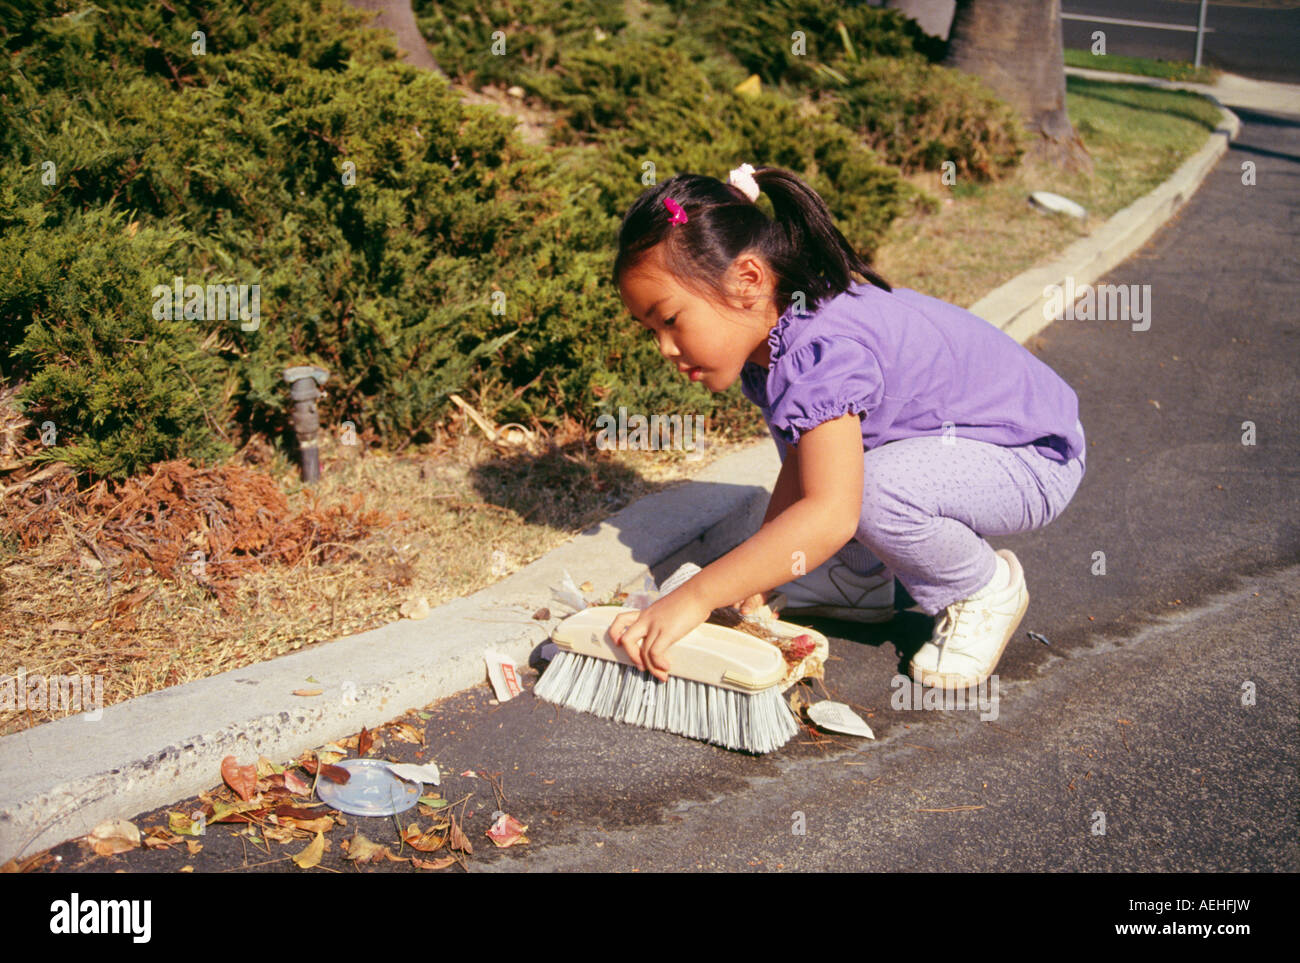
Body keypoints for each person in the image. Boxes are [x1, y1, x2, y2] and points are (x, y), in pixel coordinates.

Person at [608, 164, 1086, 691]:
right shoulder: (769, 342)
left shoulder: (822, 351)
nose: (665, 349)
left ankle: (980, 588)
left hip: (1030, 457)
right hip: (958, 446)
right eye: (650, 330)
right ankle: (859, 580)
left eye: (671, 319)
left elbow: (830, 512)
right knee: (841, 473)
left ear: (747, 279)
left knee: (872, 491)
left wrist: (699, 594)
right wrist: (760, 579)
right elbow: (804, 465)